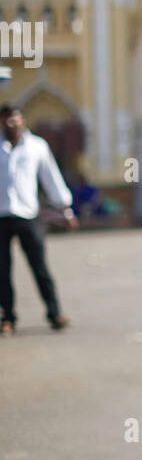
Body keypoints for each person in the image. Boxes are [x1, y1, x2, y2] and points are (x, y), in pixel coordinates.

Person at [0, 104, 77, 334]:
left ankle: (54, 313)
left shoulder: (36, 147)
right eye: (5, 119)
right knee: (2, 271)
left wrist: (66, 210)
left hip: (28, 215)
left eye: (14, 118)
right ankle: (8, 317)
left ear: (22, 120)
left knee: (40, 267)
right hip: (1, 215)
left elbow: (51, 178)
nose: (10, 122)